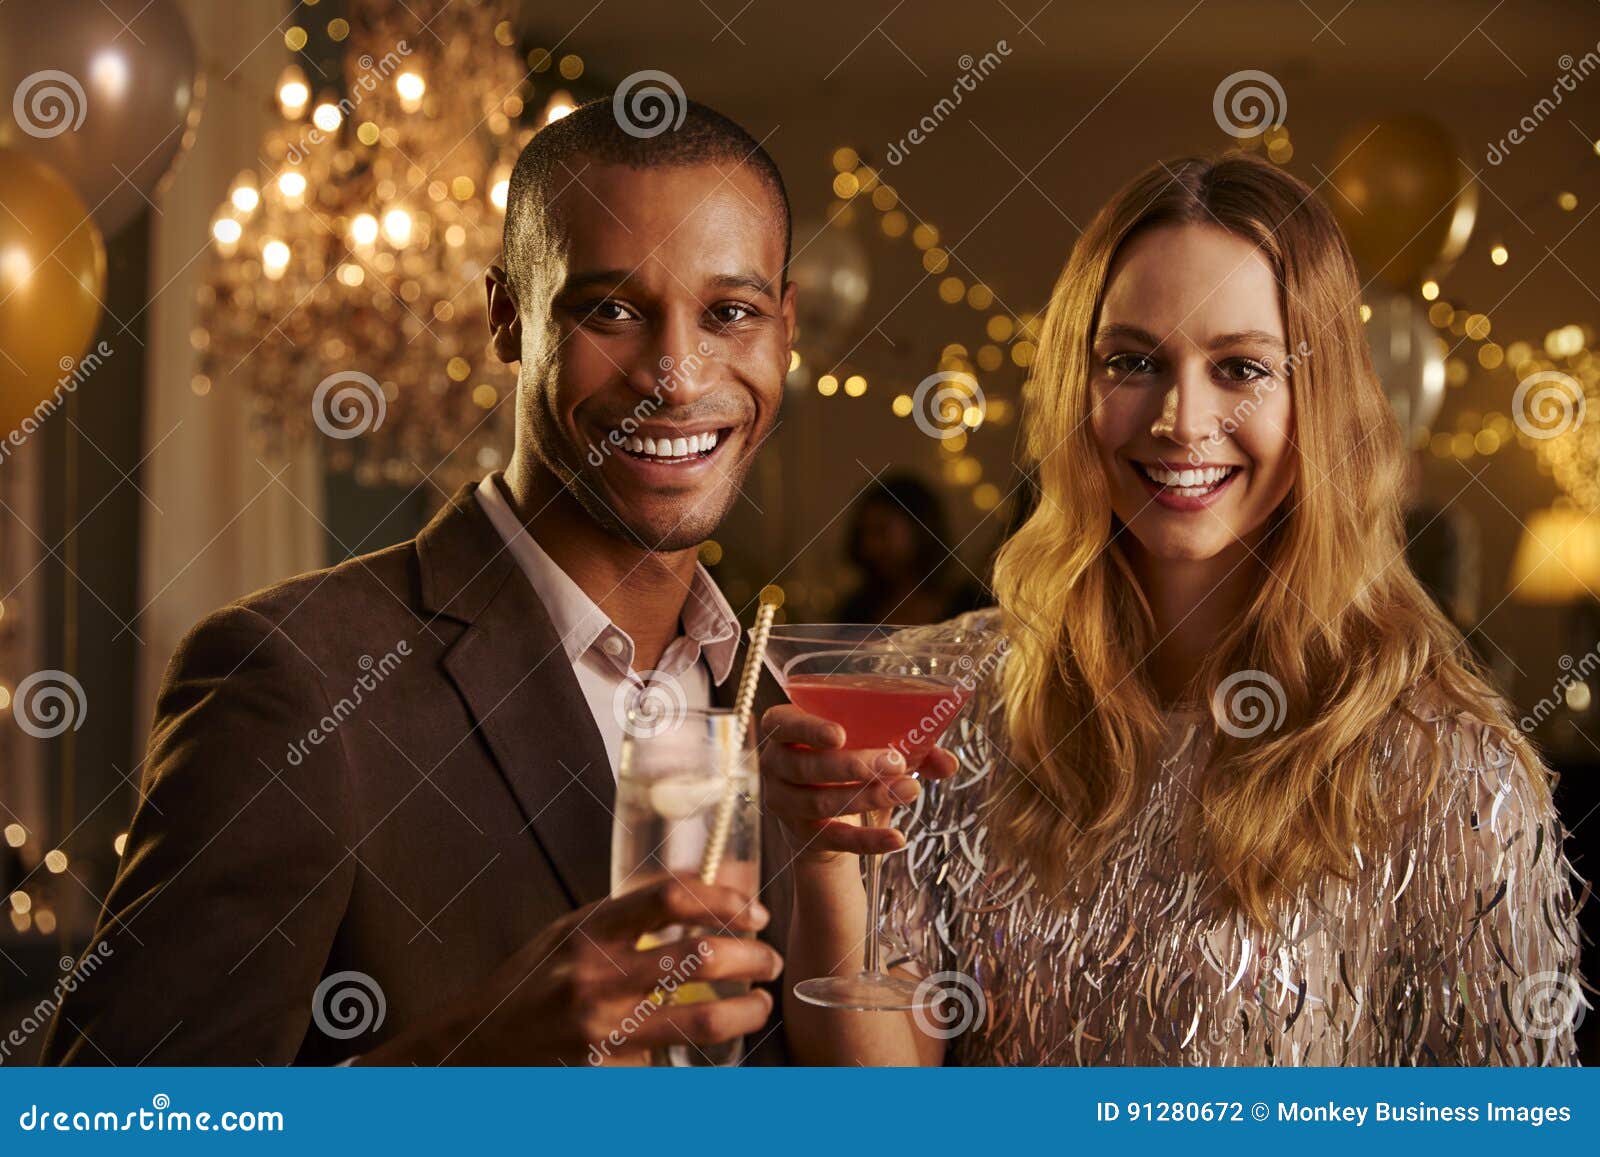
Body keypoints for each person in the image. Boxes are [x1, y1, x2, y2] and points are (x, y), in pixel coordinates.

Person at [762, 153, 1585, 1065]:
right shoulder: (938, 696)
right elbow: (881, 1114)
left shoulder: (1449, 770)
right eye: (1132, 362)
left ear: (1317, 399)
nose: (1182, 420)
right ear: (1077, 387)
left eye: (1241, 367)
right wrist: (827, 858)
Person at [43, 98, 796, 1065]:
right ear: (507, 318)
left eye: (729, 313)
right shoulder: (293, 680)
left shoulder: (784, 710)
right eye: (610, 309)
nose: (676, 378)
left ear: (785, 328)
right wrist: (470, 1060)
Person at [834, 473, 987, 626]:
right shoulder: (856, 610)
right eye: (864, 533)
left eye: (881, 530)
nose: (871, 546)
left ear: (920, 528)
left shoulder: (971, 606)